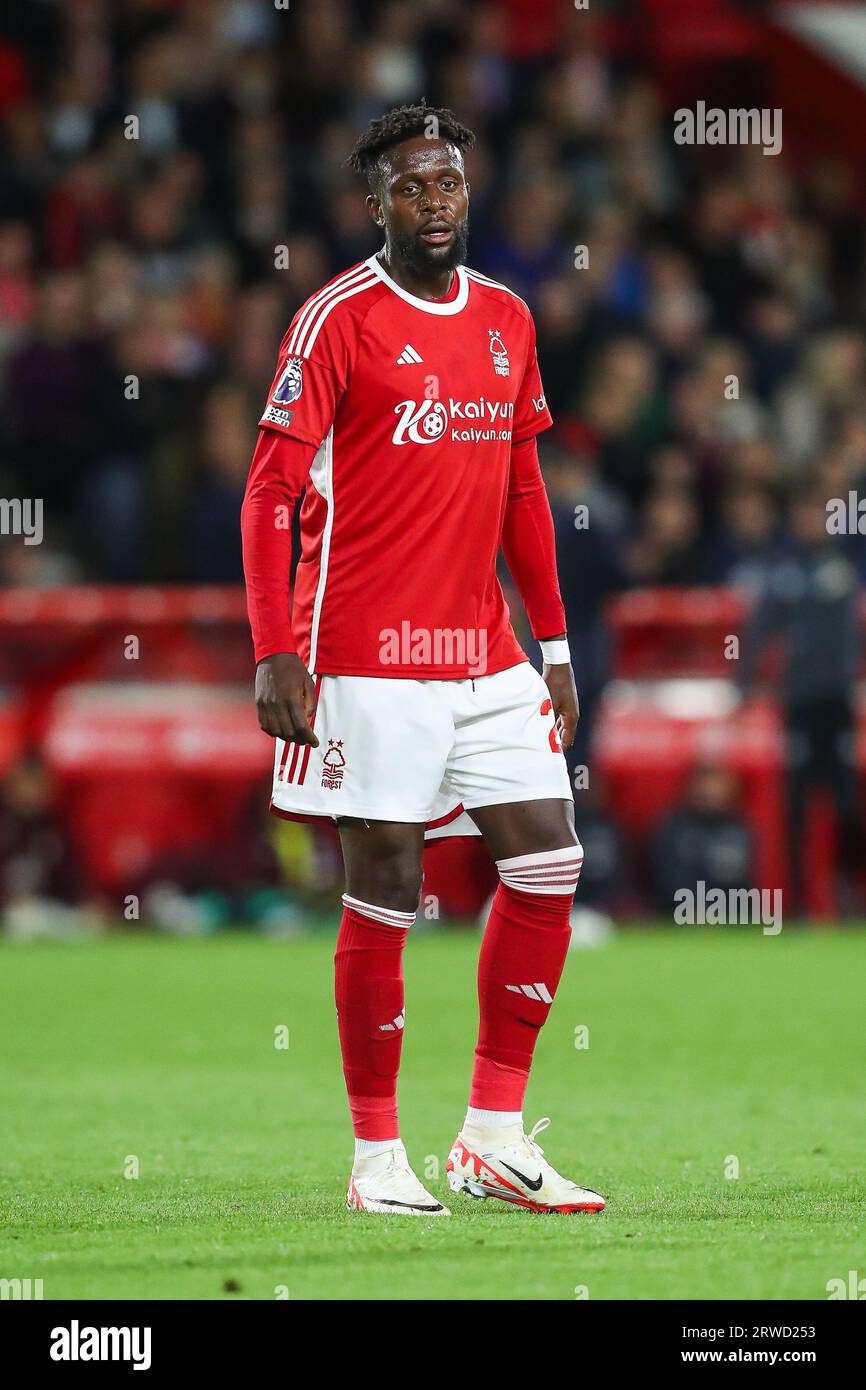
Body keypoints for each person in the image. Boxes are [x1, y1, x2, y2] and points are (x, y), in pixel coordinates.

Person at [241, 102, 604, 1217]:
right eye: (410, 185)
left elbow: (522, 488)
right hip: (365, 651)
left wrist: (549, 641)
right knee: (386, 890)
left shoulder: (504, 317)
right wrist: (273, 650)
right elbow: (269, 491)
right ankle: (375, 1159)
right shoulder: (334, 320)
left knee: (548, 862)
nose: (434, 201)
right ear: (374, 202)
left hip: (483, 651)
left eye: (446, 182)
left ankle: (492, 1136)